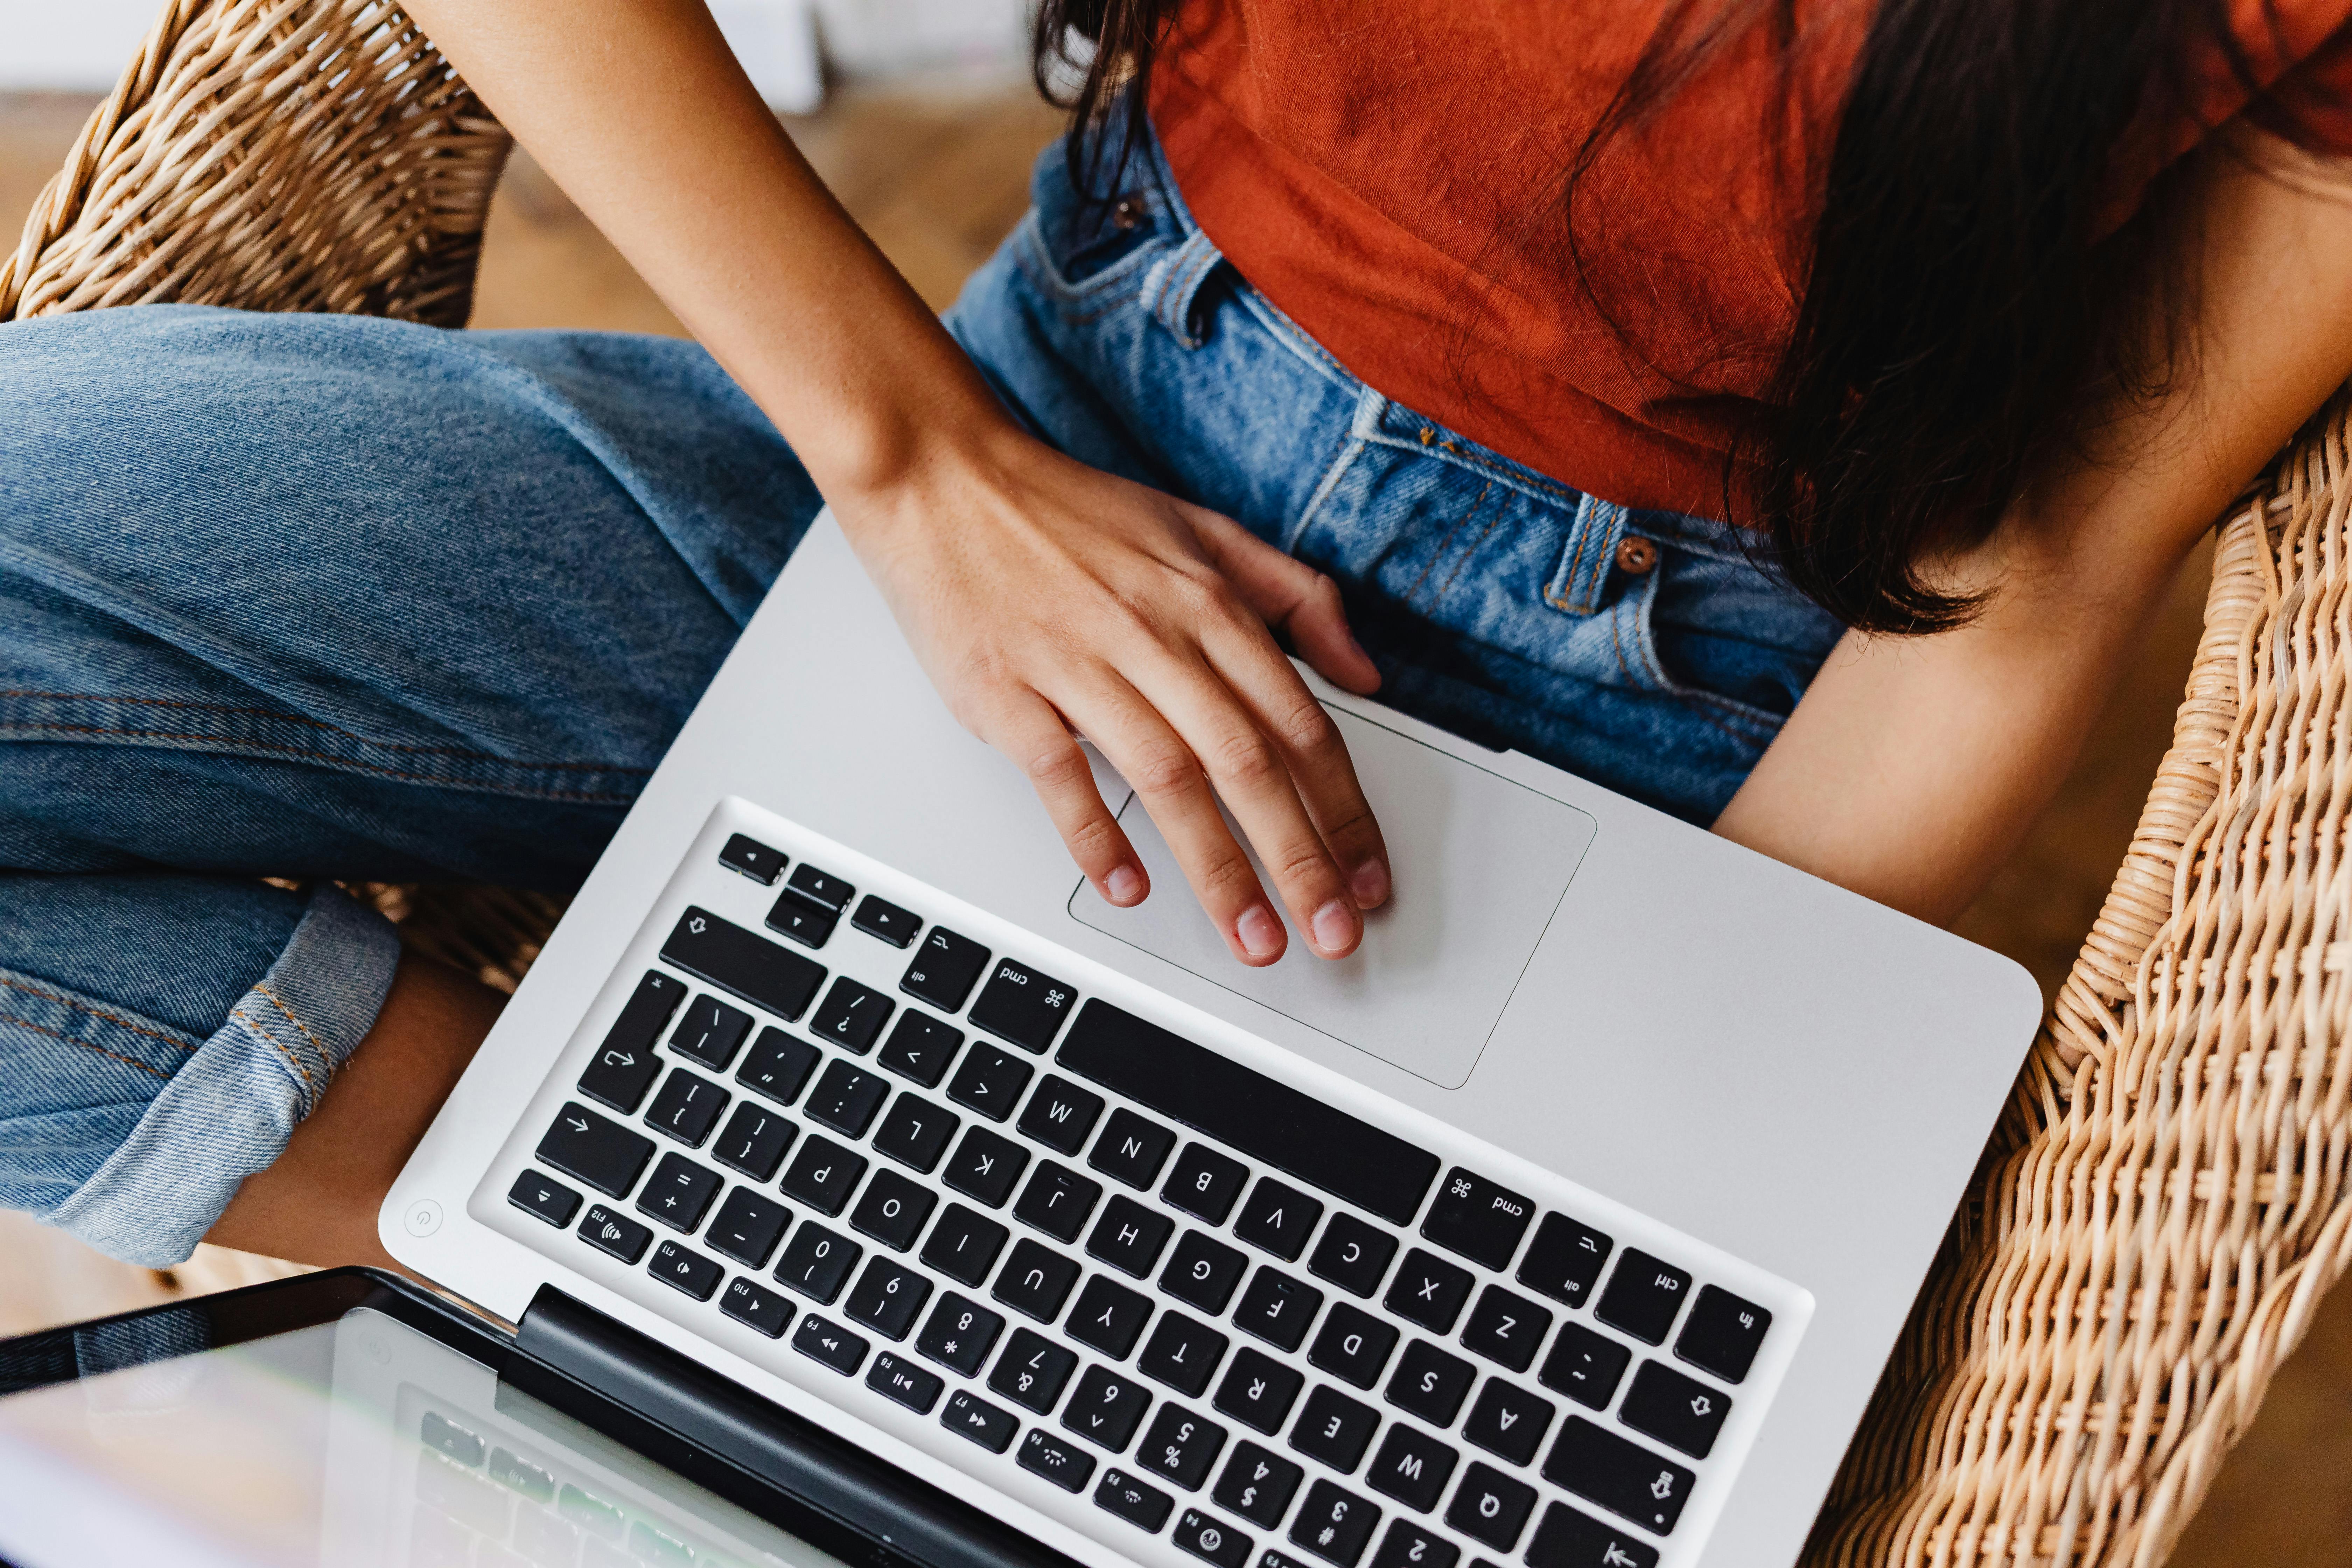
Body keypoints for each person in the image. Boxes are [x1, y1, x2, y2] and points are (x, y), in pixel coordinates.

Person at [2, 0, 2349, 1273]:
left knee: (1223, 1357)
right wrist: (926, 470)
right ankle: (532, 1254)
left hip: (1625, 738)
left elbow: (2047, 571)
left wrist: (1540, 1115)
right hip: (1025, 420)